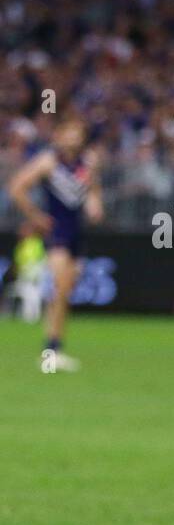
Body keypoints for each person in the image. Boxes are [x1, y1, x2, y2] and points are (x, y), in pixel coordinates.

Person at [7, 118, 103, 371]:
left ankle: (55, 345)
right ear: (59, 135)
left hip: (77, 233)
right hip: (57, 232)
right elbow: (17, 187)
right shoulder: (48, 162)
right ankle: (51, 350)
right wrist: (35, 216)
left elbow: (93, 189)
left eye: (77, 132)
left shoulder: (88, 162)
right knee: (59, 288)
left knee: (64, 293)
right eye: (69, 132)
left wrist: (95, 203)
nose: (73, 137)